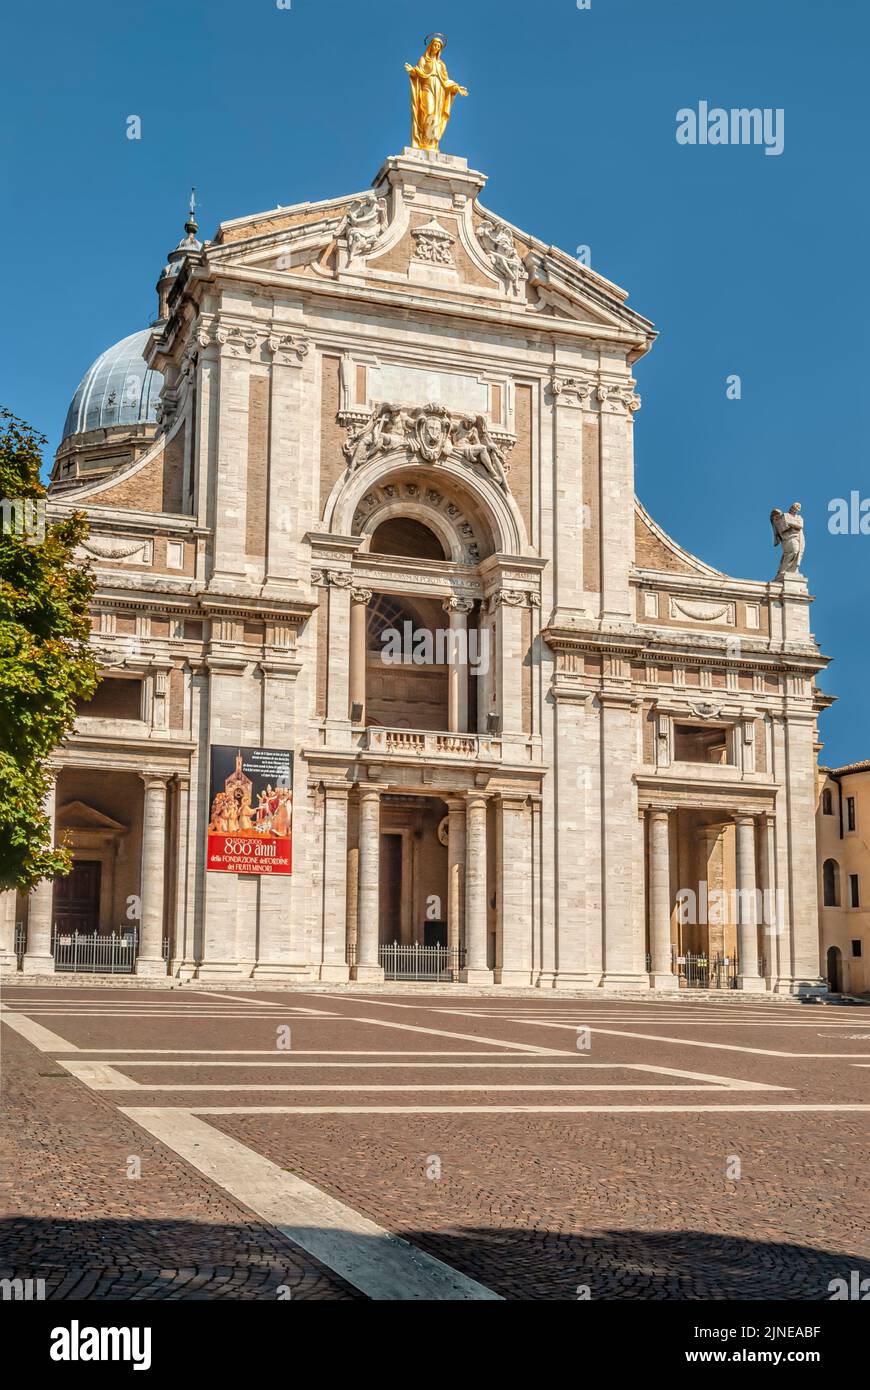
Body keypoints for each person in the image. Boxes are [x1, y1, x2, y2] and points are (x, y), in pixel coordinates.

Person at [405, 35, 468, 152]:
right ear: (430, 46)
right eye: (435, 45)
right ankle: (424, 138)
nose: (436, 47)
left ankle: (431, 141)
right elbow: (419, 72)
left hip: (439, 90)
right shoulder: (423, 59)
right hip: (426, 87)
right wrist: (412, 71)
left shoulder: (441, 65)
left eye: (439, 46)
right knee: (428, 112)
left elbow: (446, 81)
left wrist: (457, 88)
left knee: (436, 116)